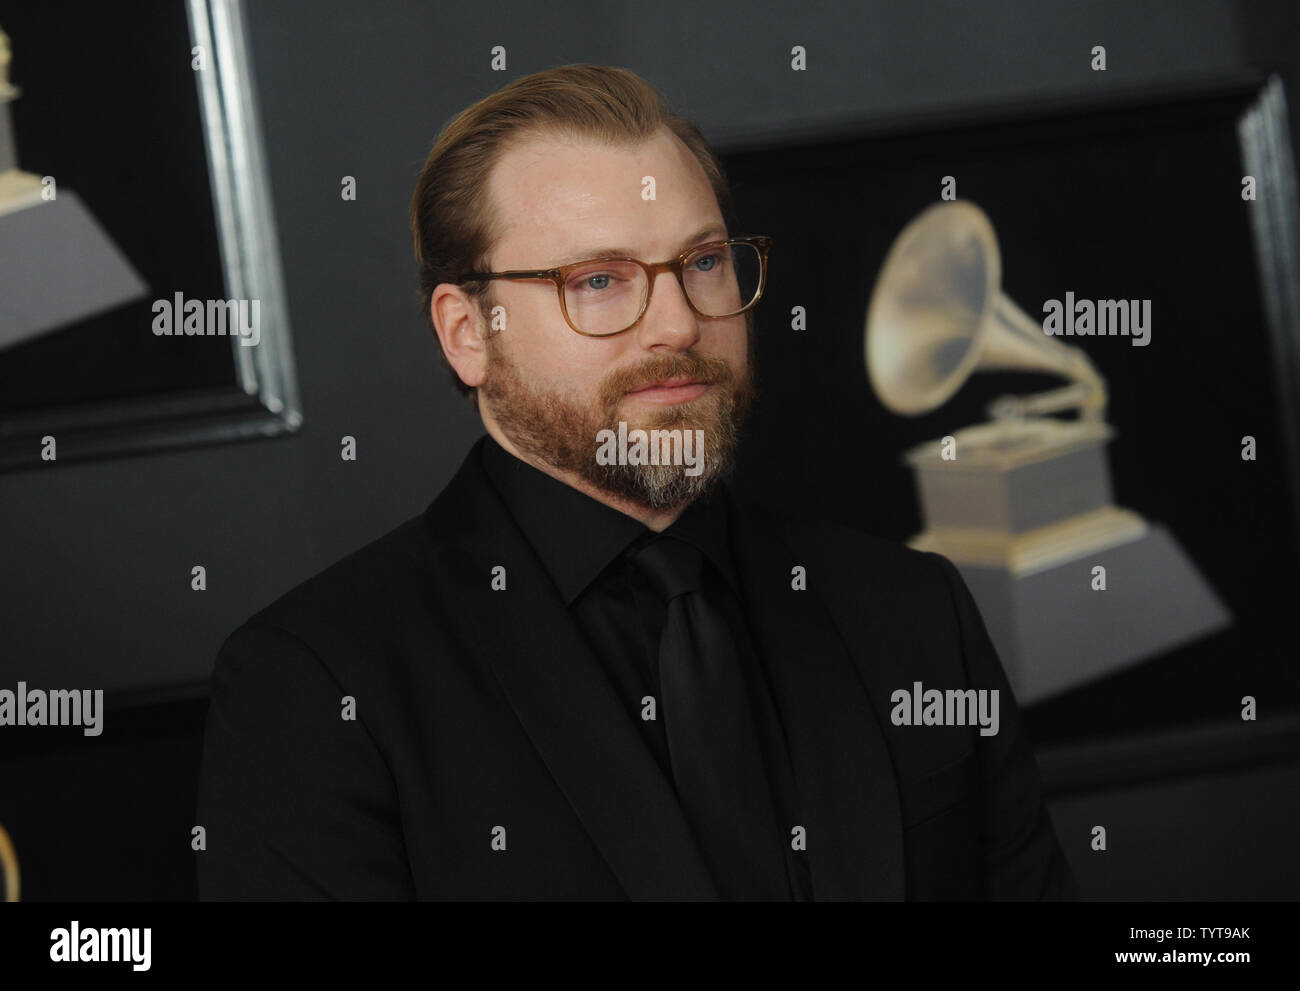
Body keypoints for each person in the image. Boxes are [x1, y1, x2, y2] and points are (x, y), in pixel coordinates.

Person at [196, 62, 1078, 901]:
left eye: (701, 262)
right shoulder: (317, 684)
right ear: (468, 332)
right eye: (600, 279)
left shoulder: (909, 609)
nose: (677, 324)